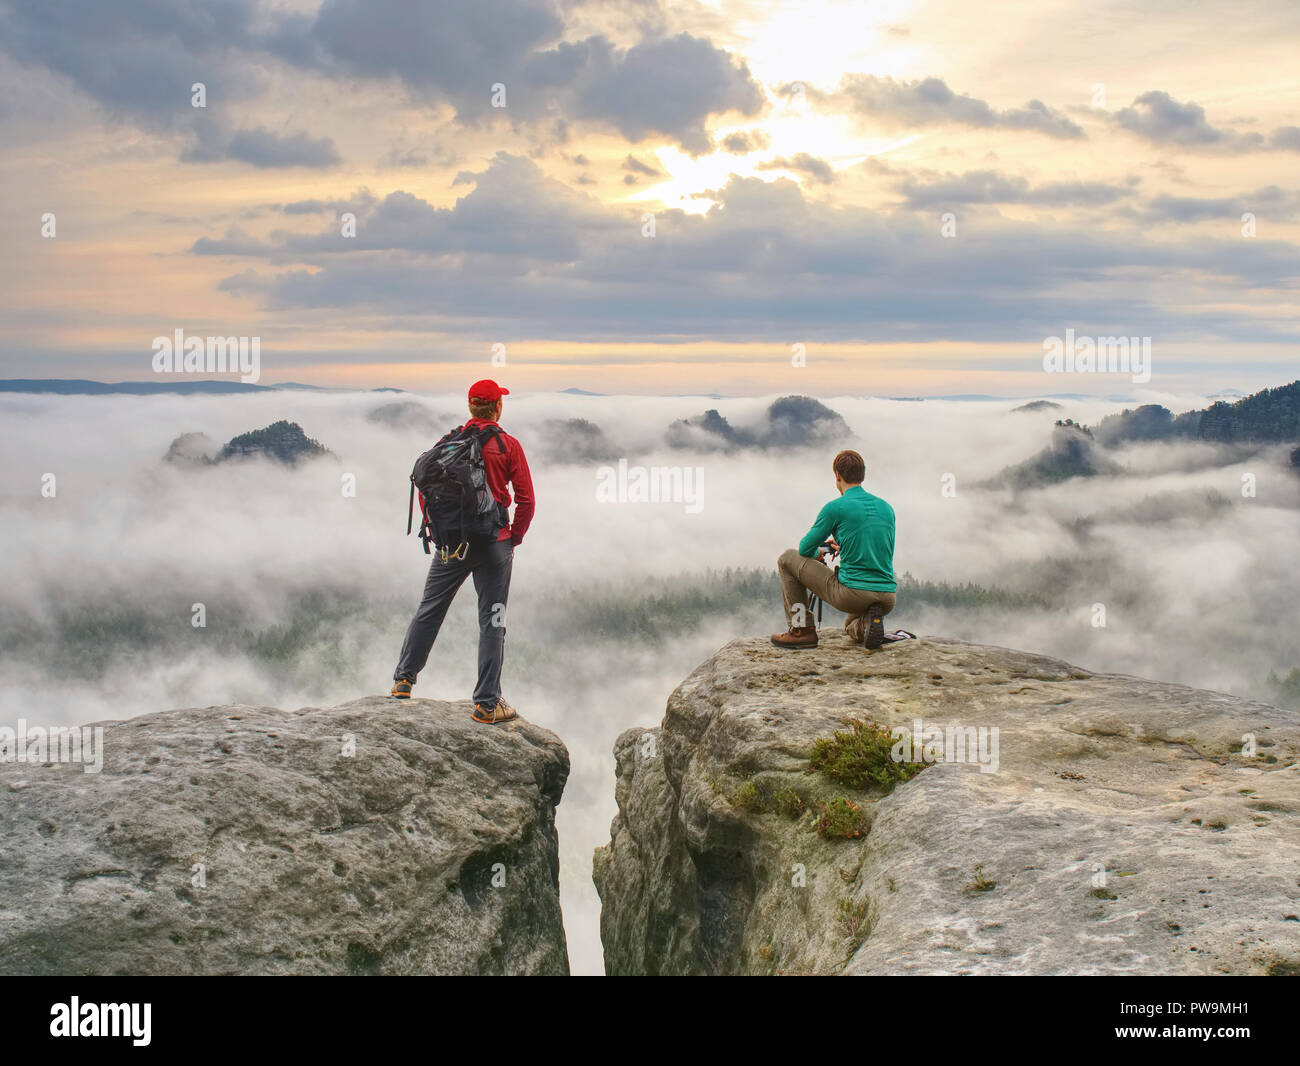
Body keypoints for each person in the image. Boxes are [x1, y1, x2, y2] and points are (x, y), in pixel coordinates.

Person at [390, 379, 535, 723]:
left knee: (430, 609)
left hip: (451, 546)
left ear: (471, 407)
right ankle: (487, 703)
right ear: (497, 407)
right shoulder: (507, 445)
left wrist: (442, 533)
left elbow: (427, 490)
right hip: (494, 544)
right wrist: (514, 536)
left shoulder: (448, 444)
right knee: (493, 620)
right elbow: (526, 499)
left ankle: (403, 681)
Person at [772, 449, 896, 650]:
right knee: (849, 626)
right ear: (862, 475)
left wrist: (817, 554)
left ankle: (801, 630)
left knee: (787, 558)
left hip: (852, 594)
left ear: (837, 475)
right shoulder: (886, 508)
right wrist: (846, 546)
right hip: (887, 596)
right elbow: (877, 545)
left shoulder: (836, 507)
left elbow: (805, 548)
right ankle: (864, 626)